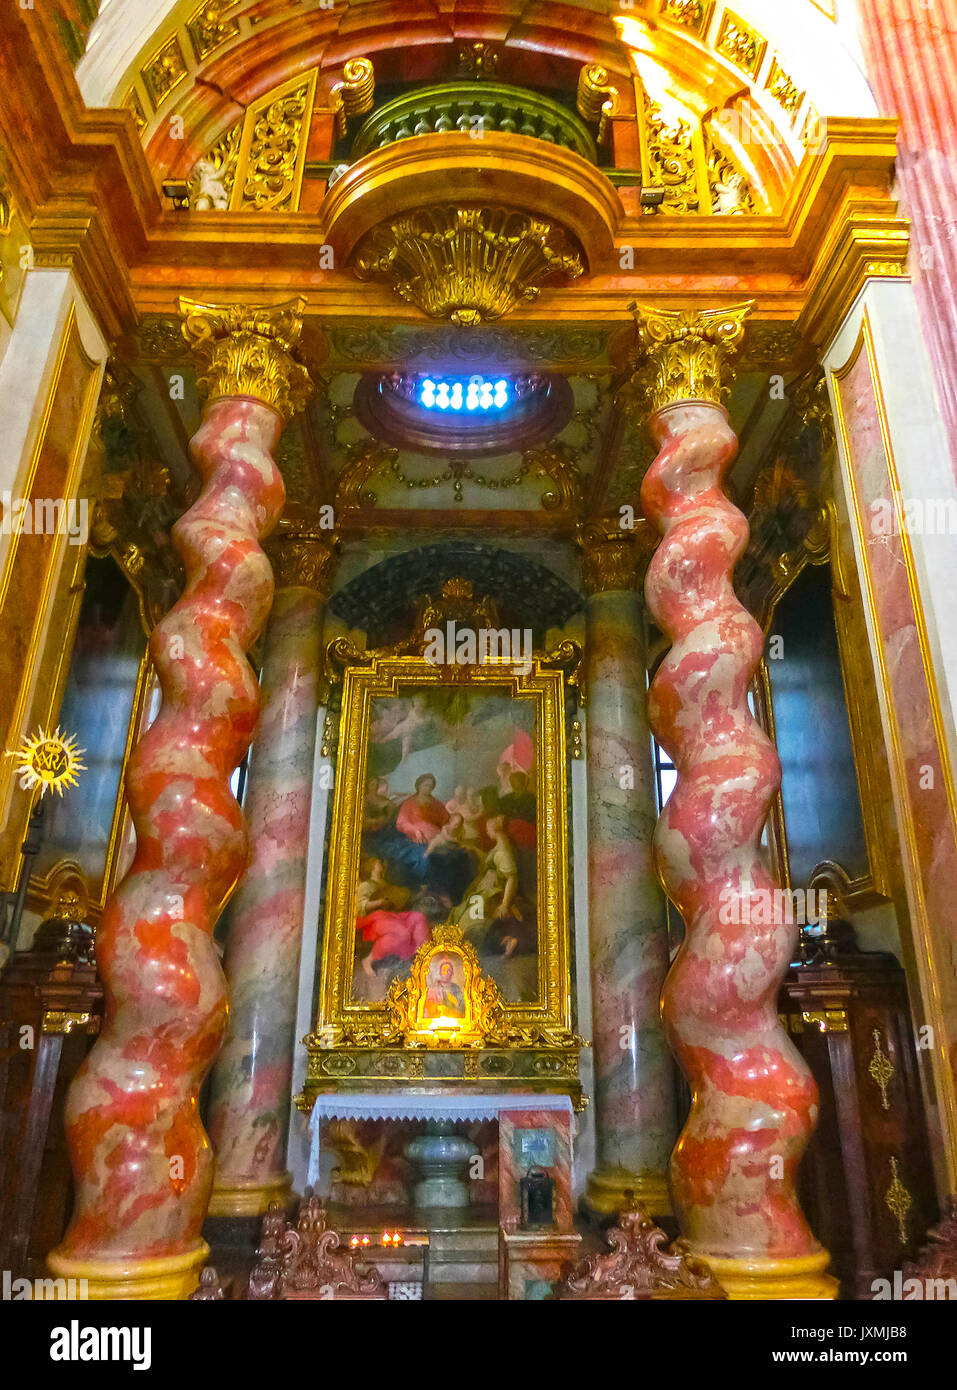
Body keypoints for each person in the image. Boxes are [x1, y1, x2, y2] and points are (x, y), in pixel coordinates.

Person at [355, 858, 429, 977]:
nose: (382, 863)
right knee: (402, 932)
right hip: (375, 920)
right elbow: (360, 906)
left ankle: (420, 955)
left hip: (391, 915)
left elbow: (397, 898)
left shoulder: (384, 883)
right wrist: (379, 902)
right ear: (372, 866)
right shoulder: (366, 885)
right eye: (378, 862)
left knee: (418, 917)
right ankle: (368, 960)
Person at [396, 773, 449, 844]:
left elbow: (446, 820)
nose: (428, 788)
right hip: (416, 839)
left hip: (437, 839)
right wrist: (415, 831)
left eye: (431, 786)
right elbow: (402, 822)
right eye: (426, 785)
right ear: (419, 785)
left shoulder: (437, 804)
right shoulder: (409, 803)